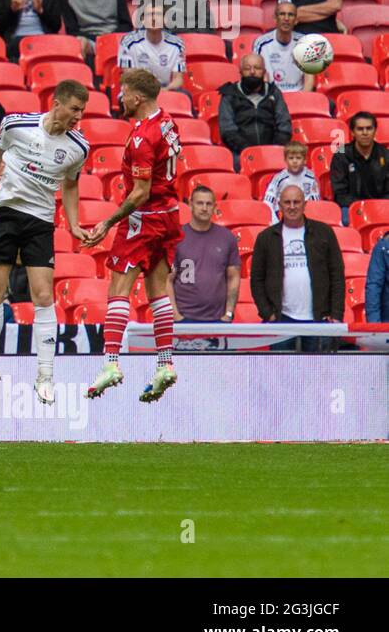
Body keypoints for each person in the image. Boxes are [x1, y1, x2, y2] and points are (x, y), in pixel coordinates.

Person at [0, 80, 90, 405]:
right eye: (74, 109)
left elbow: (70, 185)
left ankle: (45, 376)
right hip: (6, 214)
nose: (78, 117)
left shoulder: (78, 147)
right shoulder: (16, 125)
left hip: (40, 221)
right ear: (57, 103)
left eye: (82, 111)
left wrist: (75, 222)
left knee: (43, 294)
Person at [80, 69, 182, 403]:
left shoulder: (142, 138)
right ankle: (165, 363)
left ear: (137, 98)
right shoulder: (167, 120)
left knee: (119, 290)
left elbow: (140, 192)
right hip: (168, 216)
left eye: (123, 93)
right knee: (157, 293)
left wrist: (108, 222)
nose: (120, 98)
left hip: (144, 219)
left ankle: (110, 363)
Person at [250, 185, 344, 350]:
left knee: (317, 373)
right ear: (279, 205)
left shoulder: (324, 233)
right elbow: (257, 279)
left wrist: (336, 315)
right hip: (281, 319)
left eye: (296, 202)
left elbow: (337, 275)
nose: (292, 207)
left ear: (305, 204)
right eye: (287, 202)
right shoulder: (266, 238)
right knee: (280, 372)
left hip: (319, 319)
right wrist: (268, 314)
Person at [166, 185, 241, 324]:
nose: (204, 208)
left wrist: (228, 314)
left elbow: (234, 277)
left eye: (208, 204)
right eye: (200, 203)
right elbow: (168, 279)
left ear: (214, 206)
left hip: (218, 320)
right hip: (184, 318)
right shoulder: (176, 237)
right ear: (190, 204)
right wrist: (175, 316)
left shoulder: (227, 237)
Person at [217, 52, 292, 159]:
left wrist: (273, 150)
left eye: (257, 68)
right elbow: (228, 131)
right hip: (241, 153)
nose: (252, 72)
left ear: (264, 72)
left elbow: (284, 127)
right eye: (247, 68)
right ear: (241, 72)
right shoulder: (229, 94)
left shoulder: (274, 92)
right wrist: (250, 152)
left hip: (273, 151)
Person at [332, 112, 389, 218]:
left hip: (381, 207)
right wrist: (364, 206)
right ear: (352, 132)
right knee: (344, 219)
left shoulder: (386, 155)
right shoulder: (341, 155)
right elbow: (340, 194)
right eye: (360, 129)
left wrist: (376, 207)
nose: (365, 132)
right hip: (351, 207)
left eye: (369, 128)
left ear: (375, 131)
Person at [117, 4, 187, 90]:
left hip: (165, 89)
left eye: (158, 15)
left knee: (185, 97)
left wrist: (166, 90)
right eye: (150, 15)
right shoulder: (128, 41)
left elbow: (178, 79)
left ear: (165, 19)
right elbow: (129, 76)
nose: (154, 18)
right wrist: (152, 93)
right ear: (142, 20)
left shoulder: (177, 44)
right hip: (136, 89)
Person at [252, 1, 312, 92]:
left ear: (296, 21)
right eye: (282, 14)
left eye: (291, 15)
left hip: (299, 95)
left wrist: (303, 99)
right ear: (275, 18)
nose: (286, 18)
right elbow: (258, 75)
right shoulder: (261, 43)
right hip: (272, 96)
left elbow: (309, 77)